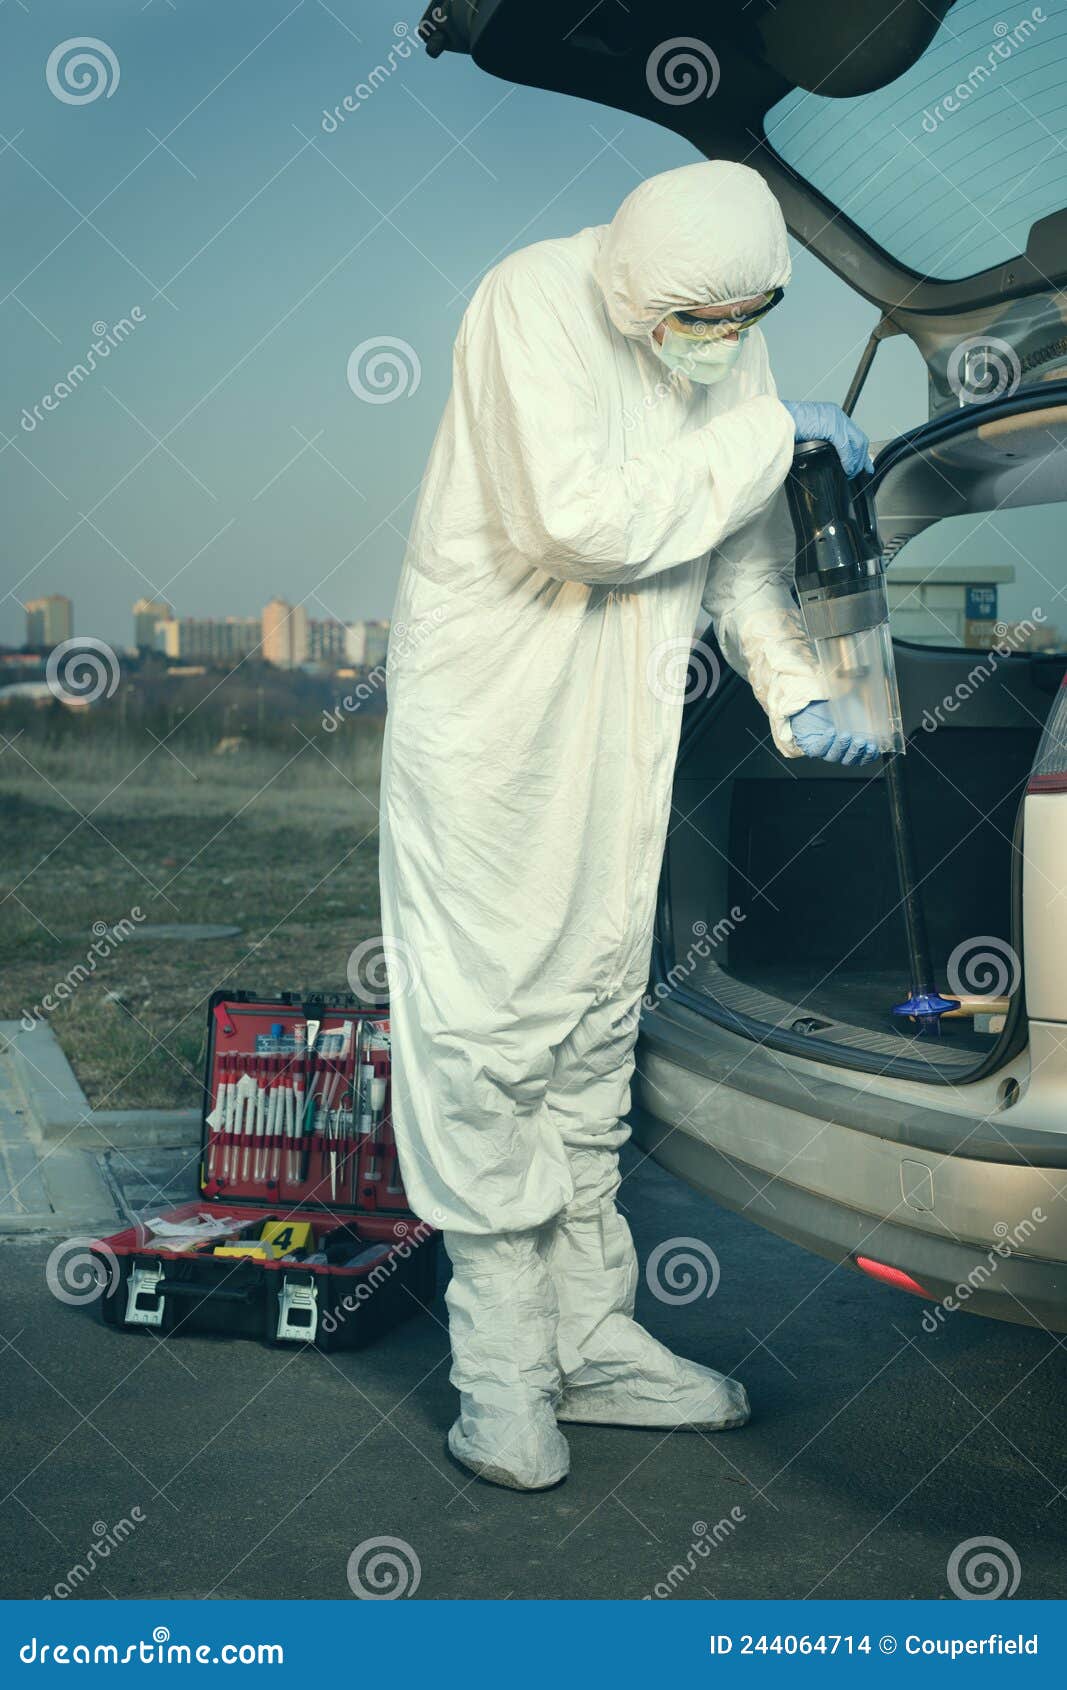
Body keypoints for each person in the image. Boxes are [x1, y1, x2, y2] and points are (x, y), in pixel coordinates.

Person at [379, 160, 872, 1491]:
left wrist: (796, 691)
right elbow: (579, 519)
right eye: (705, 320)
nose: (726, 342)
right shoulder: (527, 301)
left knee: (597, 1022)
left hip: (619, 732)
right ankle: (498, 1380)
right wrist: (772, 442)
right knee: (489, 1037)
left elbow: (743, 557)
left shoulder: (728, 345)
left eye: (749, 317)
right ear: (639, 285)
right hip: (497, 734)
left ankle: (591, 1339)